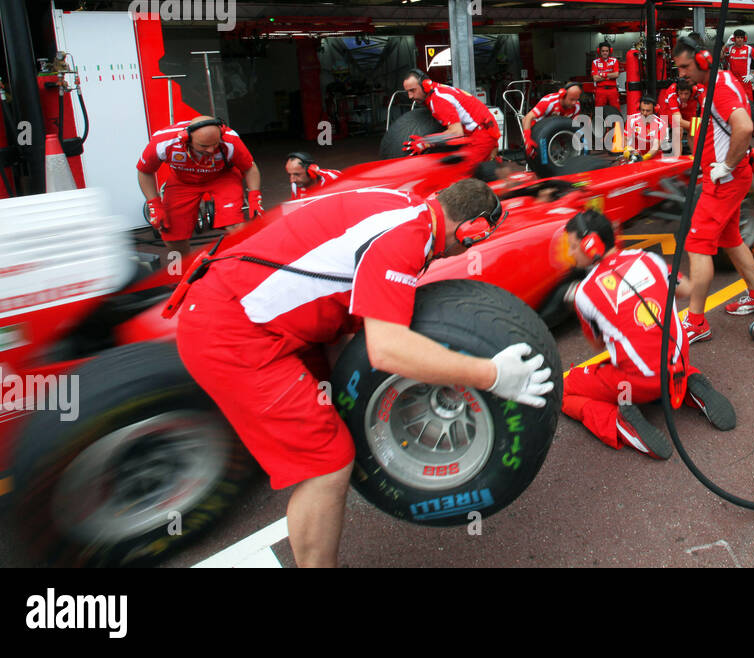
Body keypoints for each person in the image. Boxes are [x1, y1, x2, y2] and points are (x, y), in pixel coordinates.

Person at [174, 178, 553, 567]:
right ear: (469, 230)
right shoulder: (406, 238)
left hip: (254, 311)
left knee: (333, 413)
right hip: (234, 331)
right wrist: (491, 375)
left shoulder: (406, 204)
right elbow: (386, 349)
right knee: (327, 463)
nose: (469, 249)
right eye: (474, 241)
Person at [561, 210, 735, 459]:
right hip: (680, 360)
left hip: (639, 382)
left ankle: (619, 424)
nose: (570, 253)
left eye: (573, 246)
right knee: (650, 349)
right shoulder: (649, 259)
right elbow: (686, 289)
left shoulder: (583, 293)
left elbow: (598, 346)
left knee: (565, 390)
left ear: (591, 245)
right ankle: (687, 382)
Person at [672, 35, 754, 343]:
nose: (682, 74)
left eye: (685, 67)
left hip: (725, 180)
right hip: (727, 177)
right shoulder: (719, 82)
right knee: (730, 239)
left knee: (697, 243)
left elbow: (744, 127)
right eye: (678, 68)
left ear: (703, 60)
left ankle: (696, 322)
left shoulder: (719, 88)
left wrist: (726, 166)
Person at [137, 115, 263, 257]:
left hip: (222, 178)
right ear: (187, 139)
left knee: (234, 223)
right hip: (183, 182)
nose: (211, 150)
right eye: (204, 146)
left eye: (215, 144)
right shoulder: (163, 142)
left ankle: (247, 258)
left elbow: (250, 168)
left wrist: (254, 196)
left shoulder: (230, 139)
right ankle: (184, 265)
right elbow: (144, 172)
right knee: (171, 234)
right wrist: (154, 204)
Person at [401, 69, 501, 173]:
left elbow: (456, 133)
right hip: (484, 128)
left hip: (482, 134)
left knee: (461, 174)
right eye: (408, 92)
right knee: (488, 171)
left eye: (413, 90)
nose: (410, 96)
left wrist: (425, 142)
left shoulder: (438, 100)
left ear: (425, 85)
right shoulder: (437, 90)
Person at [521, 82, 583, 159]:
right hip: (538, 128)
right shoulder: (549, 102)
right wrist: (527, 139)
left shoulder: (576, 106)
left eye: (576, 99)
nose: (574, 103)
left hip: (556, 129)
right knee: (538, 155)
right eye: (571, 99)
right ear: (562, 95)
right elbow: (527, 118)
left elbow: (572, 126)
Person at [591, 42, 621, 110]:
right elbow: (595, 78)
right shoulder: (595, 62)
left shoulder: (614, 60)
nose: (605, 53)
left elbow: (616, 74)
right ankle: (599, 118)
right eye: (603, 51)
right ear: (599, 51)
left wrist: (602, 74)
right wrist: (609, 76)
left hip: (612, 90)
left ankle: (616, 118)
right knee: (599, 111)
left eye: (606, 51)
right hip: (600, 90)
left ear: (609, 51)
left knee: (616, 110)